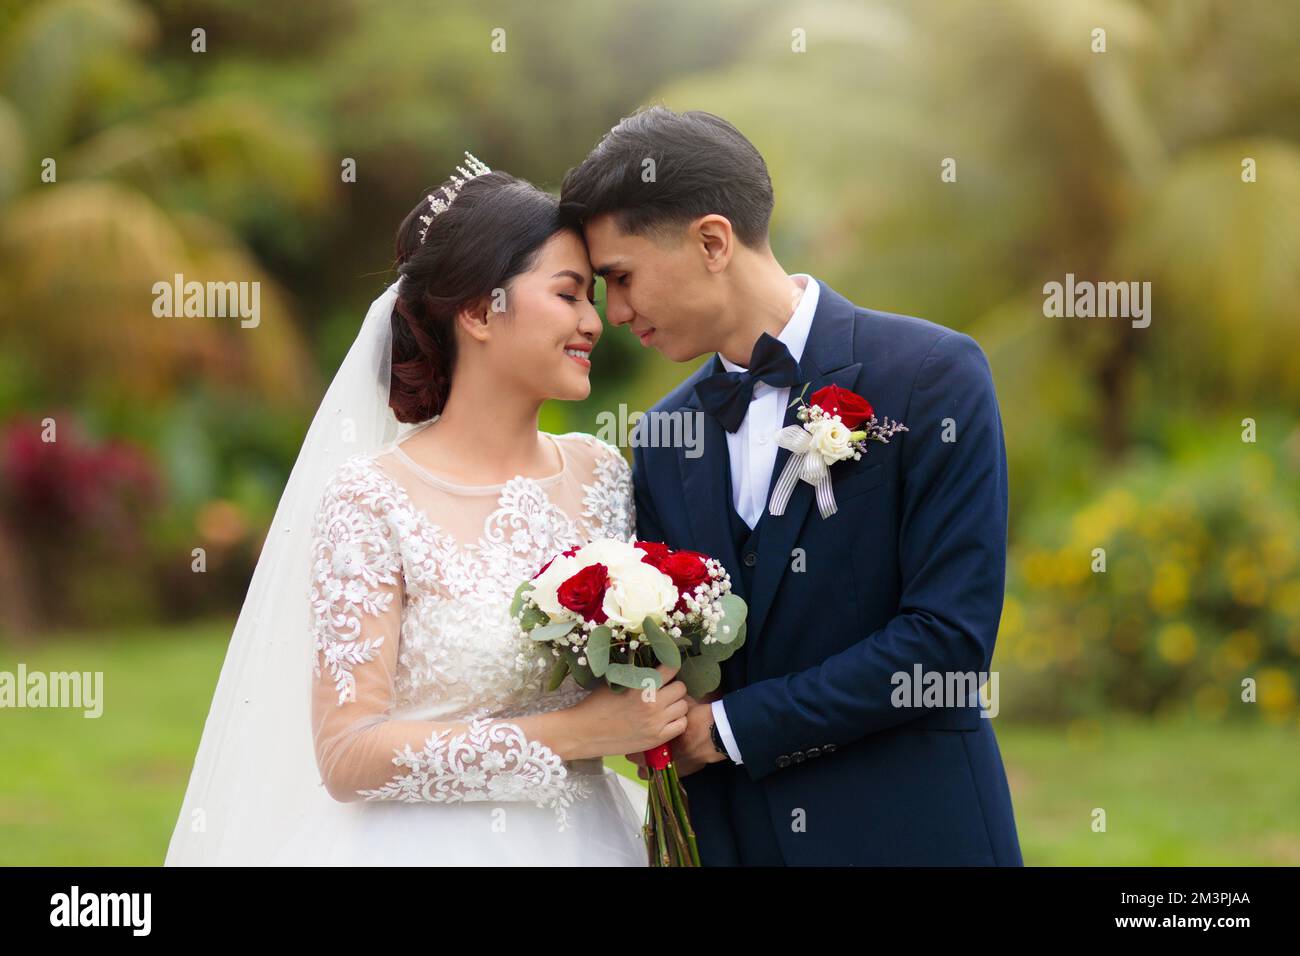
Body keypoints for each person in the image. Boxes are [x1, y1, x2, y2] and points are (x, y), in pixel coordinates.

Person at [166, 156, 683, 865]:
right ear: (477, 310)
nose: (595, 321)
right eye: (568, 295)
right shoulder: (373, 498)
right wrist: (577, 735)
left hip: (595, 841)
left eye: (593, 296)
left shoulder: (601, 475)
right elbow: (348, 755)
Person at [559, 108, 1024, 866]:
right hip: (735, 840)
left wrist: (735, 728)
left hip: (916, 832)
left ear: (712, 241)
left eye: (621, 277)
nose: (614, 313)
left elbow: (947, 645)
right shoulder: (662, 435)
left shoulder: (933, 375)